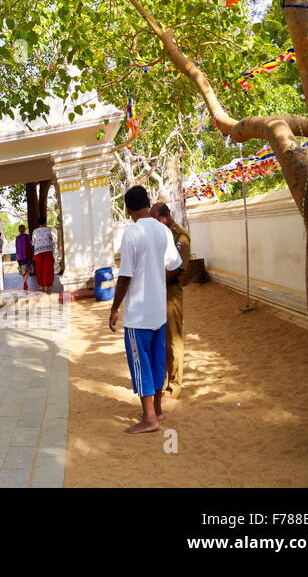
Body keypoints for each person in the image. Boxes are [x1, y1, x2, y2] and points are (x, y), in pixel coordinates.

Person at [109, 186, 182, 434]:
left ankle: (149, 419)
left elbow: (125, 276)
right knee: (158, 362)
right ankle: (158, 410)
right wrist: (156, 281)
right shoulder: (164, 230)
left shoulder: (132, 234)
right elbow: (174, 265)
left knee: (141, 366)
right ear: (147, 203)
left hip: (138, 315)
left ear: (129, 210)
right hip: (158, 311)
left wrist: (114, 307)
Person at [153, 202, 191, 399]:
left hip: (171, 291)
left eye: (155, 218)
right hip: (160, 290)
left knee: (174, 338)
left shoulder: (180, 238)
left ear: (165, 216)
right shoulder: (163, 235)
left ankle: (174, 385)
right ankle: (167, 378)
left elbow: (174, 270)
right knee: (162, 338)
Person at [30, 219, 55, 292]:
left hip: (38, 252)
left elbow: (33, 243)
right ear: (45, 223)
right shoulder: (48, 230)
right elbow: (50, 239)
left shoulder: (35, 231)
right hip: (48, 250)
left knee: (39, 269)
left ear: (38, 224)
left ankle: (41, 286)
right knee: (47, 269)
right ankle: (46, 286)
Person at [14, 223, 33, 288]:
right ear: (24, 230)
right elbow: (30, 245)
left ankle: (25, 282)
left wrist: (17, 256)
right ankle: (25, 282)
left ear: (19, 230)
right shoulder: (27, 236)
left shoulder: (17, 238)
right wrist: (32, 254)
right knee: (27, 270)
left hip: (20, 256)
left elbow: (16, 247)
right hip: (26, 255)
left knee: (22, 270)